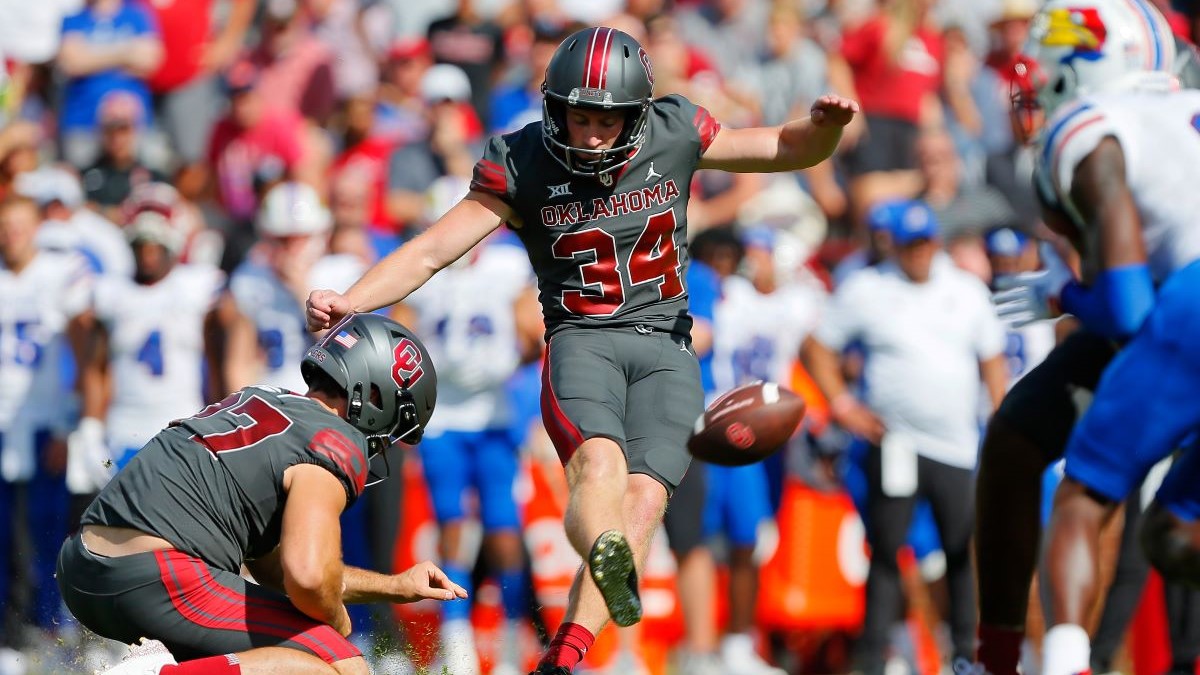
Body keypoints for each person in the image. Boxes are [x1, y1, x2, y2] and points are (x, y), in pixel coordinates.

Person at [306, 25, 859, 675]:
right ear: (554, 107)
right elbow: (431, 250)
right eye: (579, 117)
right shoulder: (523, 160)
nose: (591, 135)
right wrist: (354, 299)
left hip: (667, 347)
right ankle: (605, 551)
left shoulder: (674, 131)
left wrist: (823, 128)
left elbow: (785, 148)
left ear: (636, 114)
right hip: (582, 341)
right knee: (599, 470)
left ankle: (565, 656)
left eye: (606, 120)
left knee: (644, 501)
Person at [974, 1, 1200, 673]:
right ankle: (995, 658)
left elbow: (1128, 311)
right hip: (1175, 302)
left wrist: (1061, 294)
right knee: (1173, 533)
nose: (1035, 77)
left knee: (1085, 495)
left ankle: (1051, 662)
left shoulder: (1091, 127)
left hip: (1184, 307)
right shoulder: (1181, 111)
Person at [57, 312, 462, 675]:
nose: (386, 442)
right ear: (374, 396)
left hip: (83, 568)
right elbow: (308, 578)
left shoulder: (261, 399)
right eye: (395, 424)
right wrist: (335, 619)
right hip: (157, 577)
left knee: (272, 658)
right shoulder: (336, 441)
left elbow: (276, 569)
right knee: (341, 664)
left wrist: (394, 587)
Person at [802, 199, 1007, 675]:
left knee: (960, 548)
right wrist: (843, 406)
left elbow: (992, 358)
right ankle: (873, 656)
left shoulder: (965, 289)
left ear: (936, 242)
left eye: (924, 243)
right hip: (895, 441)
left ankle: (965, 654)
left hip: (956, 444)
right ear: (893, 245)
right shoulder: (868, 287)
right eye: (909, 244)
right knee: (888, 549)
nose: (918, 253)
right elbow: (817, 347)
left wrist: (1000, 419)